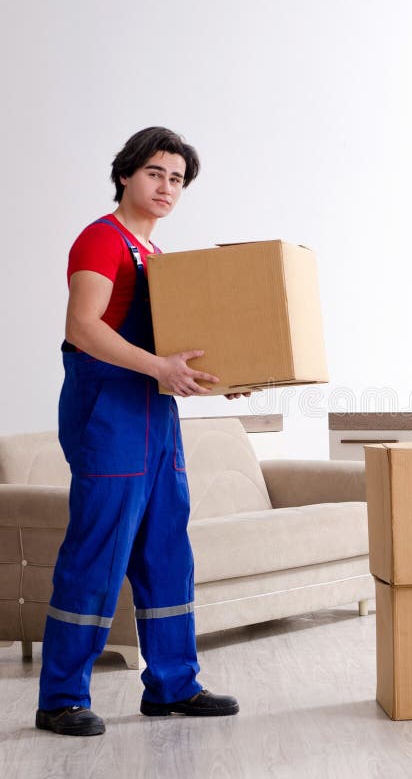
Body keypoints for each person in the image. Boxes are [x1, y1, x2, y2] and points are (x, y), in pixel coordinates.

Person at [37, 127, 241, 736]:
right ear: (126, 173)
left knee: (166, 553)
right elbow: (82, 325)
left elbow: (173, 351)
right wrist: (158, 368)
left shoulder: (155, 256)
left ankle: (173, 685)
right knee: (98, 554)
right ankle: (61, 698)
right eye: (156, 172)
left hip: (156, 419)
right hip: (109, 415)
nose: (166, 187)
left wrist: (224, 377)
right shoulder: (102, 240)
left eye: (177, 179)